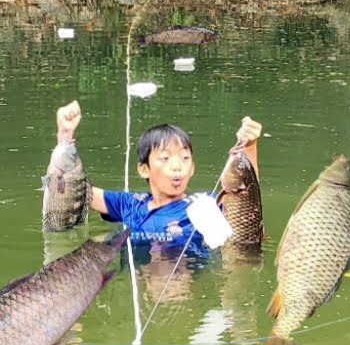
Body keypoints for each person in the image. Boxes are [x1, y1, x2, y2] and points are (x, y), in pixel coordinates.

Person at [54, 100, 262, 257]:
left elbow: (246, 206)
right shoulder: (130, 204)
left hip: (183, 278)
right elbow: (71, 191)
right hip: (141, 278)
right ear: (144, 169)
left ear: (192, 168)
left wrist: (249, 145)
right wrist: (64, 137)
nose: (177, 166)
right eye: (165, 158)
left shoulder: (204, 204)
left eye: (185, 158)